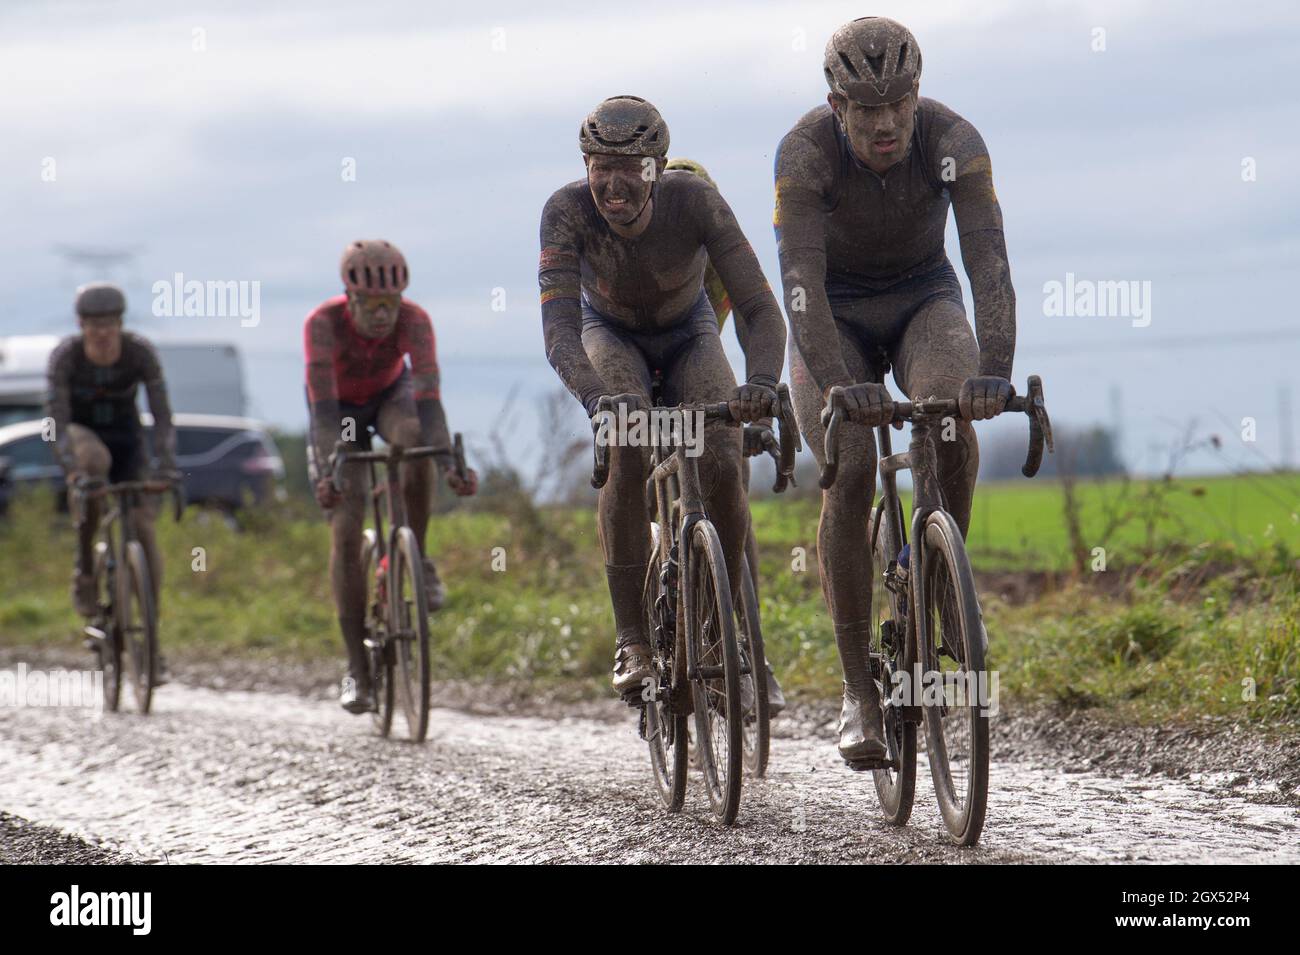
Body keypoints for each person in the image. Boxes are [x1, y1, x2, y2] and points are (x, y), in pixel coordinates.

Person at [774, 18, 1016, 763]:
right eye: (866, 108)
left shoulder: (954, 141)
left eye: (898, 104)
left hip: (923, 299)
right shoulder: (804, 153)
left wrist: (995, 371)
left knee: (948, 420)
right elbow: (800, 286)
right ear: (836, 105)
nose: (885, 124)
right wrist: (841, 386)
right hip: (832, 315)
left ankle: (937, 589)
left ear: (918, 94)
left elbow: (988, 264)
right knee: (849, 465)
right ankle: (858, 691)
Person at [539, 96, 787, 697]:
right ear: (585, 165)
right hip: (610, 335)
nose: (614, 185)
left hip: (689, 334)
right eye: (601, 168)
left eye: (632, 169)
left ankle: (724, 626)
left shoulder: (695, 201)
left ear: (658, 168)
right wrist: (597, 401)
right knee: (627, 446)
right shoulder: (565, 212)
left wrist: (760, 384)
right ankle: (632, 641)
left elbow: (759, 309)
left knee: (722, 455)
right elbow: (561, 334)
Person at [304, 239, 477, 713]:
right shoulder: (322, 325)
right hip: (337, 412)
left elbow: (429, 404)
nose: (383, 314)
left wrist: (448, 464)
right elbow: (323, 419)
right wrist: (327, 471)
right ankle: (357, 668)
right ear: (350, 298)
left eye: (391, 303)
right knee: (345, 527)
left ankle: (415, 555)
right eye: (371, 305)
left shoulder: (415, 321)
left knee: (415, 438)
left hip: (389, 398)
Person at [661, 156, 787, 715]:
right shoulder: (643, 250)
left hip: (704, 377)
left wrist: (756, 411)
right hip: (647, 382)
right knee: (640, 485)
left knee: (730, 484)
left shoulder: (722, 254)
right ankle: (646, 634)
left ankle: (748, 649)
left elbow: (752, 328)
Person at [47, 283, 179, 643]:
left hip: (127, 438)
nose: (102, 333)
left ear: (120, 324)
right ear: (81, 325)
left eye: (109, 324)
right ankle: (85, 573)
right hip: (82, 435)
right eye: (94, 325)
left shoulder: (139, 353)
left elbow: (162, 413)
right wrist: (71, 468)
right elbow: (54, 420)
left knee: (143, 526)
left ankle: (150, 630)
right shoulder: (66, 357)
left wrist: (167, 463)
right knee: (94, 464)